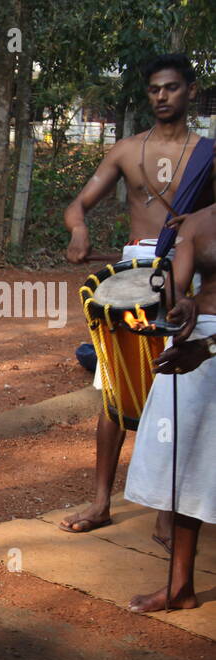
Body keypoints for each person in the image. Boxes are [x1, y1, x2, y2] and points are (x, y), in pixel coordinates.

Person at [61, 53, 214, 544]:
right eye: (154, 89)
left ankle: (170, 513)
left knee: (178, 395)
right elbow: (79, 204)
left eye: (171, 87)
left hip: (185, 282)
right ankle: (103, 500)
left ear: (190, 91)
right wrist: (79, 230)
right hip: (131, 282)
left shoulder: (209, 154)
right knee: (113, 390)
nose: (162, 96)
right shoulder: (126, 150)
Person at [124, 203, 216, 612]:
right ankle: (181, 587)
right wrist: (183, 307)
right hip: (200, 339)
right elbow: (179, 290)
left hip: (207, 346)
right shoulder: (197, 223)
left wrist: (209, 349)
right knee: (186, 461)